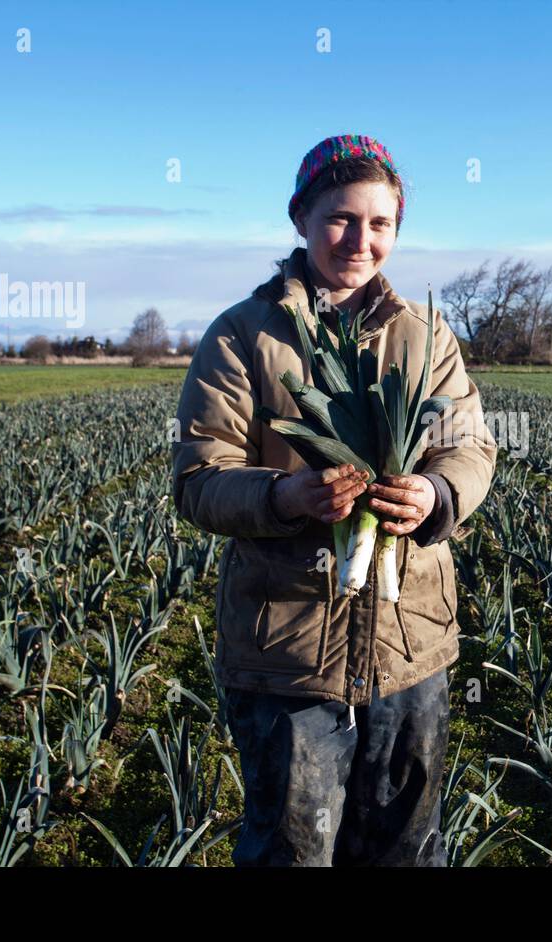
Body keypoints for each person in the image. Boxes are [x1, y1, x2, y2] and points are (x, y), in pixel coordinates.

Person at [171, 133, 497, 866]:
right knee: (292, 849)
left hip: (409, 642)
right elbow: (197, 480)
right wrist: (284, 495)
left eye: (380, 223)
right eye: (341, 218)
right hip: (287, 650)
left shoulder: (425, 332)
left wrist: (437, 494)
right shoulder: (242, 335)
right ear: (301, 219)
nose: (361, 239)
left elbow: (469, 446)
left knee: (403, 850)